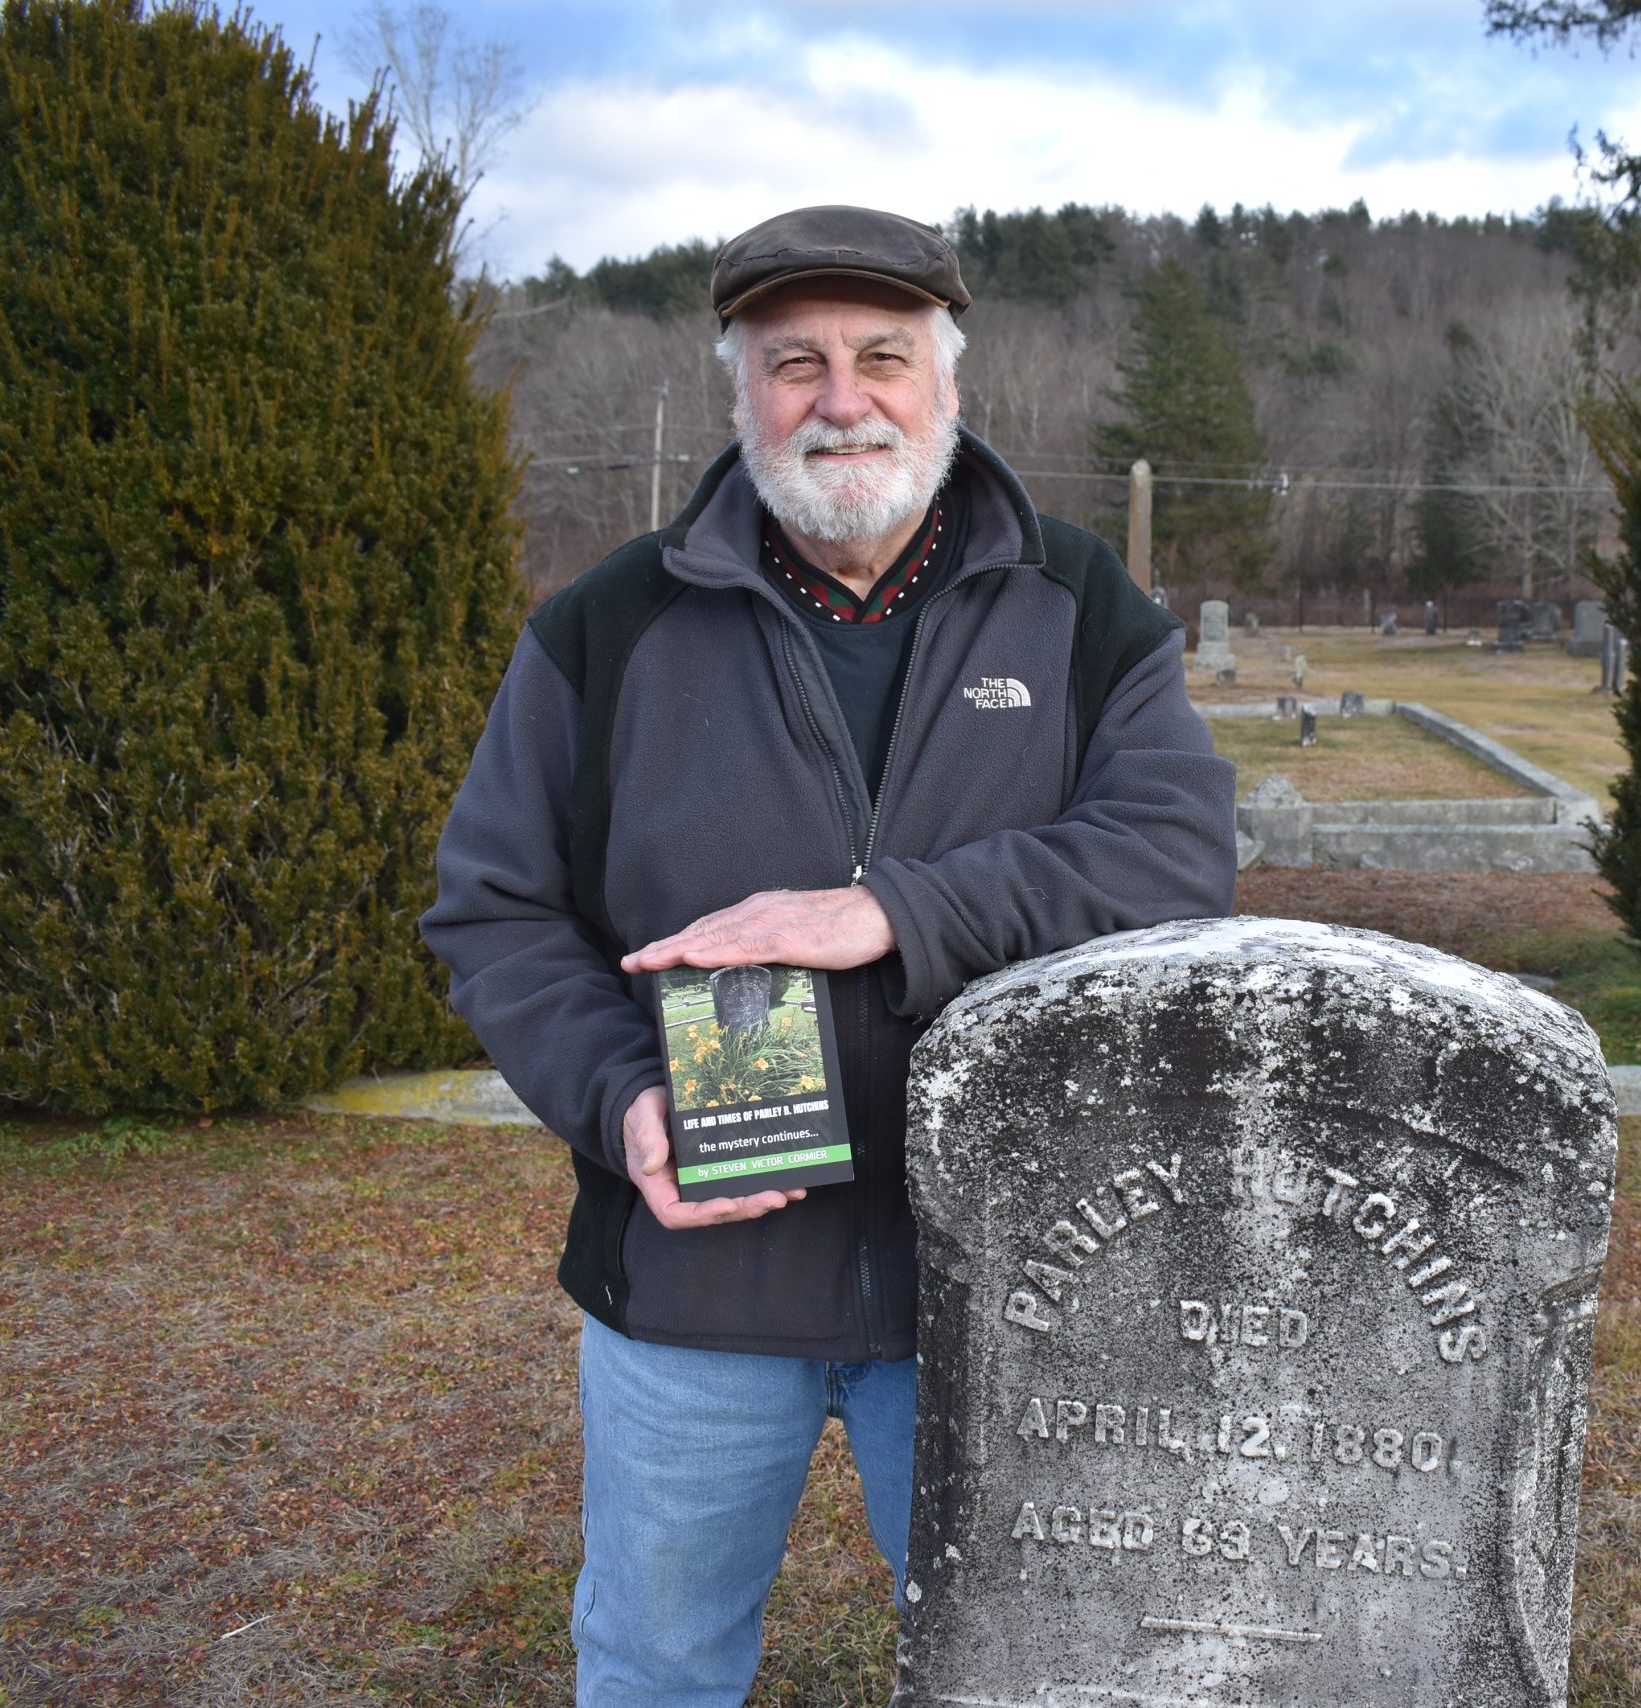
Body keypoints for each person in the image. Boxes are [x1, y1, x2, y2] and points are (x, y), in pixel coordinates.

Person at [420, 204, 1237, 1705]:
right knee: (656, 1662)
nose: (841, 398)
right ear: (741, 390)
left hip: (1009, 1285)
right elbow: (492, 908)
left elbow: (1172, 859)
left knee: (1029, 1672)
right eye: (795, 362)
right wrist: (621, 1103)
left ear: (946, 381)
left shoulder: (1080, 610)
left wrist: (893, 914)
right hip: (696, 1294)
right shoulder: (609, 629)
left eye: (882, 355)